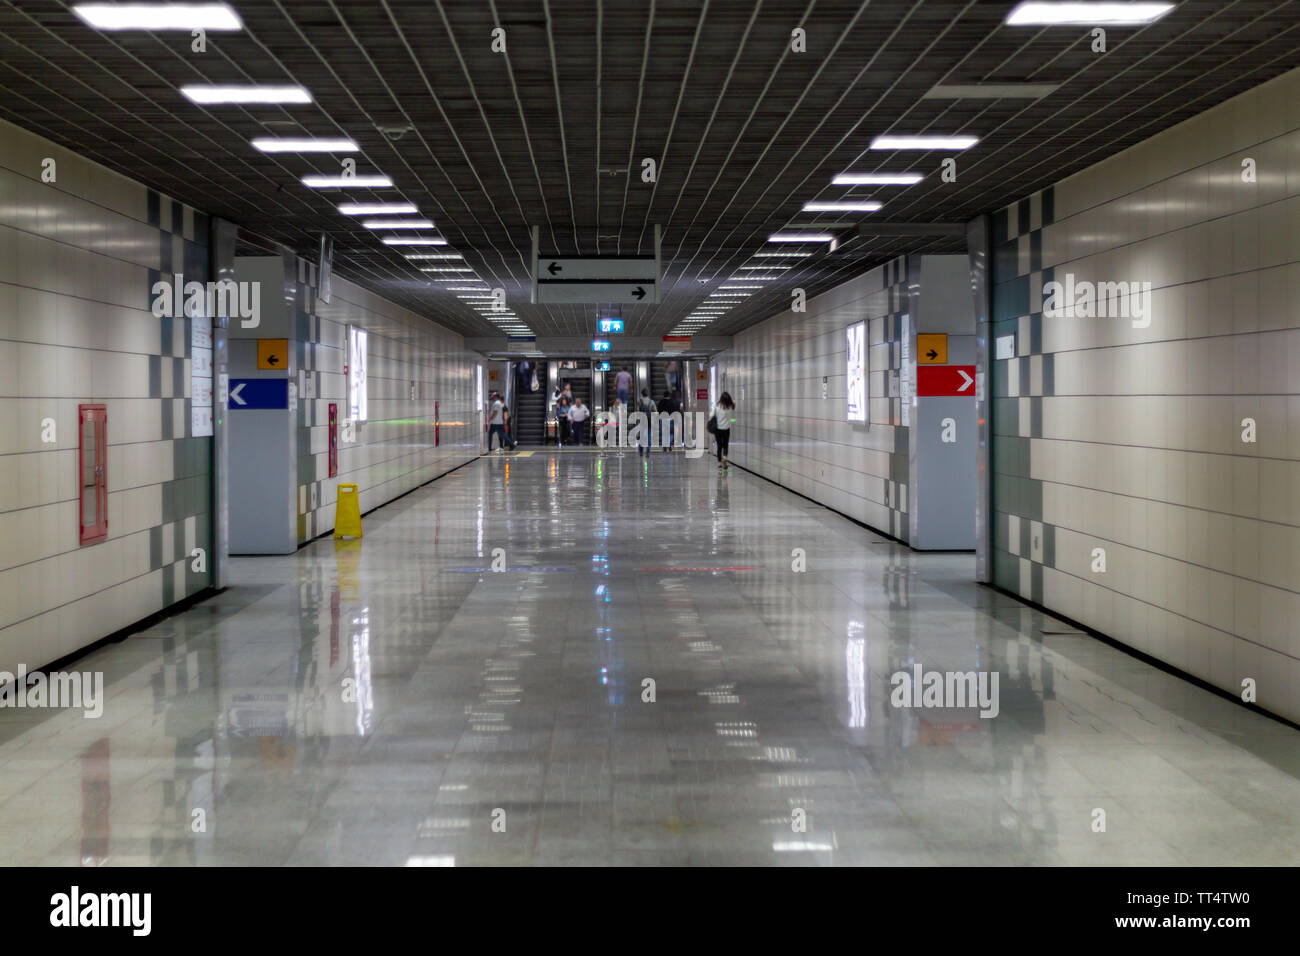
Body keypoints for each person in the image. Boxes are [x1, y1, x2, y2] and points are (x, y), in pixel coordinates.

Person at [712, 391, 735, 469]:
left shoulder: (717, 406)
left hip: (718, 429)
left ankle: (719, 462)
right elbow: (733, 405)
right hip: (726, 429)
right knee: (725, 445)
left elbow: (712, 415)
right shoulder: (730, 407)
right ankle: (724, 457)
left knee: (719, 446)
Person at [637, 388, 656, 455]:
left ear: (642, 394)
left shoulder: (639, 401)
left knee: (642, 436)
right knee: (648, 436)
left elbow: (638, 410)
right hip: (649, 420)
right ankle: (648, 451)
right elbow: (655, 411)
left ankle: (641, 450)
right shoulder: (651, 402)